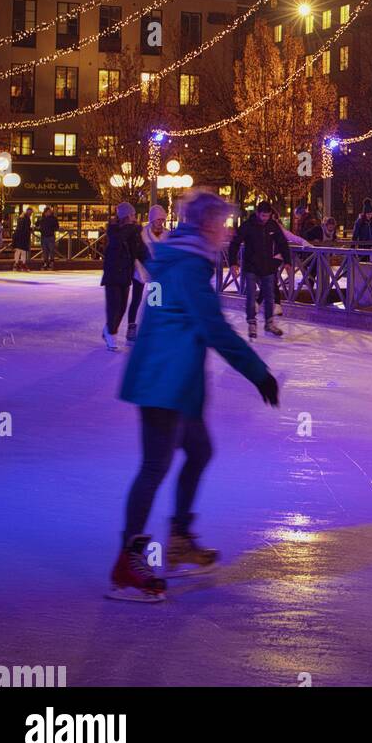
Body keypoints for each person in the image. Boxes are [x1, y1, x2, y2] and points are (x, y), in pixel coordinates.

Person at [109, 190, 279, 602]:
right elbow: (214, 328)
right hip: (163, 382)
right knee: (155, 467)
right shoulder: (187, 265)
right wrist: (259, 374)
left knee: (199, 451)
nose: (226, 231)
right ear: (206, 225)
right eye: (222, 223)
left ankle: (181, 539)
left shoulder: (182, 258)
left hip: (174, 381)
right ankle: (127, 565)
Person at [228, 201, 290, 340]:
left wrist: (287, 261)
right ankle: (252, 323)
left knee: (270, 296)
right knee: (251, 295)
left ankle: (269, 323)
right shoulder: (247, 226)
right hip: (251, 266)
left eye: (267, 216)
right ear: (257, 213)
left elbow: (282, 242)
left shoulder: (272, 225)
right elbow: (235, 243)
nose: (265, 219)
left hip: (267, 266)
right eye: (263, 216)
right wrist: (233, 262)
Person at [101, 203, 148, 351]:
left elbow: (141, 251)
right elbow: (117, 241)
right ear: (127, 216)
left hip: (126, 275)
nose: (135, 218)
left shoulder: (134, 232)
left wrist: (151, 262)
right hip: (113, 274)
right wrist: (133, 229)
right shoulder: (114, 231)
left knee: (121, 307)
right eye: (133, 215)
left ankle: (108, 329)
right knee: (113, 306)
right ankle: (111, 336)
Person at [128, 205, 167, 343]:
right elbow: (136, 253)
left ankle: (153, 328)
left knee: (155, 301)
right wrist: (140, 267)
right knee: (137, 299)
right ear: (151, 220)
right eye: (157, 220)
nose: (160, 223)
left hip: (157, 272)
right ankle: (131, 327)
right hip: (141, 270)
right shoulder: (142, 233)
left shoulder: (167, 234)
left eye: (162, 220)